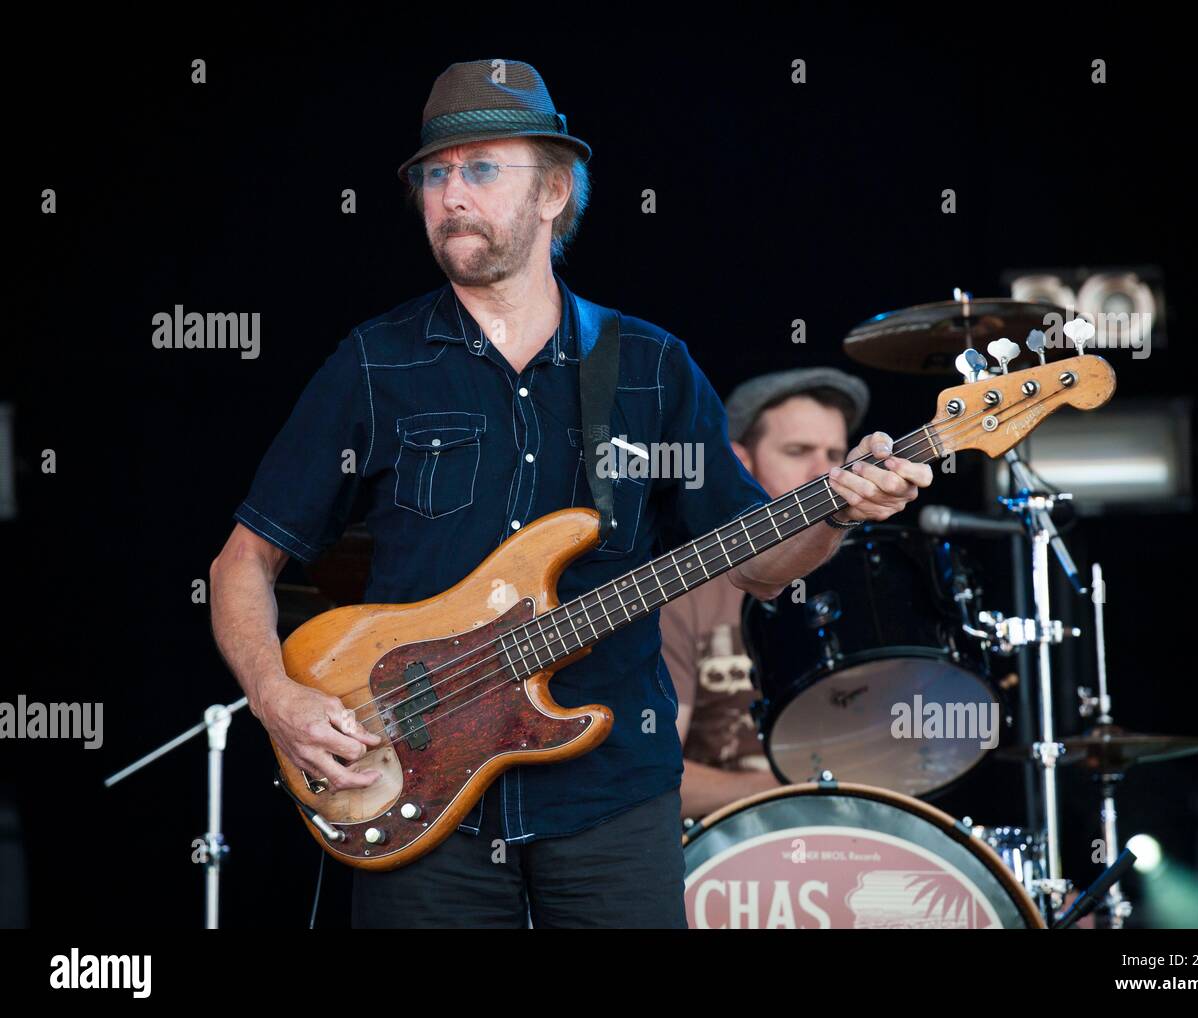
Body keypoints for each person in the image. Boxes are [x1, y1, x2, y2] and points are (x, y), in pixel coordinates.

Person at [208, 59, 932, 929]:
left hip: (611, 802)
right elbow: (242, 561)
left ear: (553, 190)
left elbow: (760, 563)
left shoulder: (650, 368)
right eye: (435, 175)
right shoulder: (374, 362)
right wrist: (276, 694)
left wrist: (840, 512)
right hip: (421, 798)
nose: (450, 194)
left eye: (480, 169)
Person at [662, 368, 868, 820]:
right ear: (740, 462)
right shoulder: (683, 587)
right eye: (798, 452)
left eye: (836, 454)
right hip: (725, 861)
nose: (826, 473)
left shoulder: (868, 582)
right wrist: (795, 791)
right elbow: (653, 775)